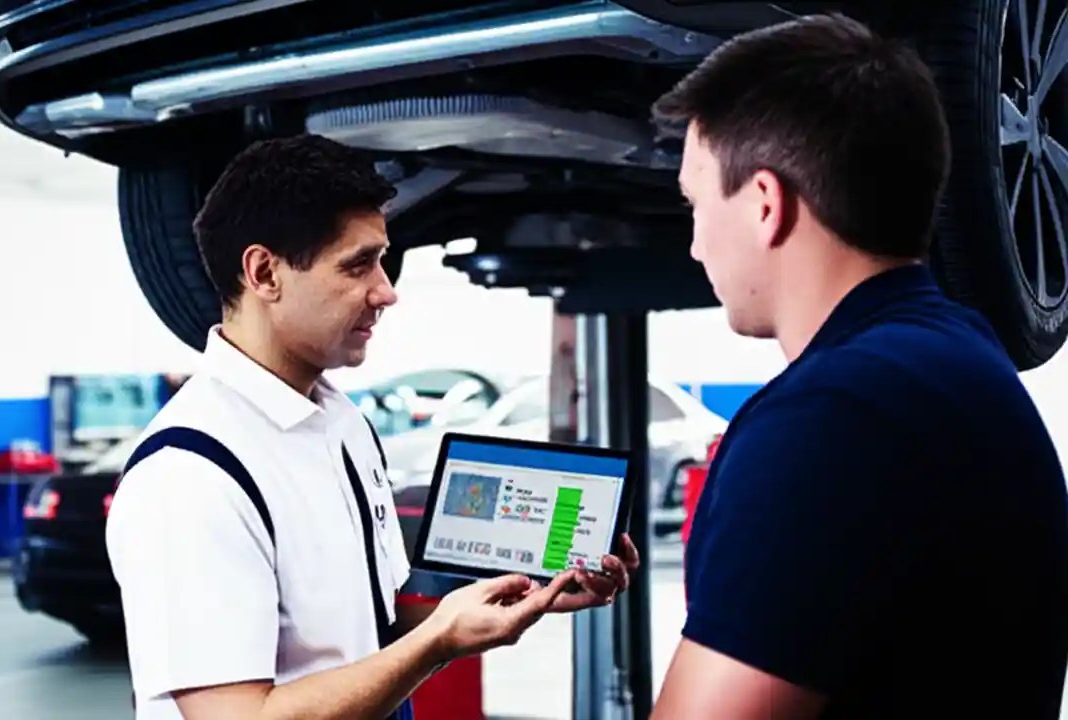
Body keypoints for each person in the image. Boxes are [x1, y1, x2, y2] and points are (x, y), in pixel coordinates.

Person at [105, 134, 641, 720]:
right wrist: (436, 641)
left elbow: (372, 625)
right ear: (264, 273)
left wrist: (519, 600)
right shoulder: (189, 476)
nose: (386, 291)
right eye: (358, 264)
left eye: (381, 260)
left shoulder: (341, 423)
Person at [647, 13, 1068, 720]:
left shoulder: (831, 416)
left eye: (695, 204)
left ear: (763, 205)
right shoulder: (956, 356)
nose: (694, 247)